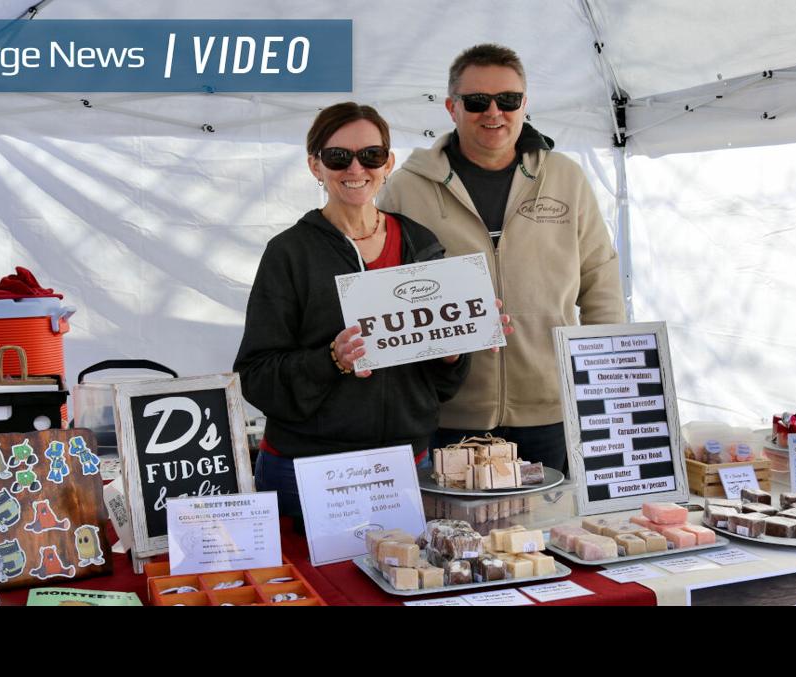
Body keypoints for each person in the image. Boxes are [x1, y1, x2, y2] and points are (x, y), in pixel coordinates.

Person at [233, 102, 512, 520]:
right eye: (338, 157)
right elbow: (255, 376)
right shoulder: (289, 253)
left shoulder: (420, 243)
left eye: (371, 155)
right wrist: (332, 359)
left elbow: (440, 385)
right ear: (315, 165)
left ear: (388, 164)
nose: (355, 168)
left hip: (405, 465)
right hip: (308, 470)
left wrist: (454, 348)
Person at [378, 44, 626, 474]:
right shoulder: (406, 188)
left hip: (550, 407)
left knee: (546, 519)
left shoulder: (565, 177)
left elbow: (599, 280)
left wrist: (604, 384)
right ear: (452, 107)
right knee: (452, 520)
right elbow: (383, 292)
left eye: (508, 100)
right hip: (447, 413)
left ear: (524, 104)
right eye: (477, 101)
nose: (494, 112)